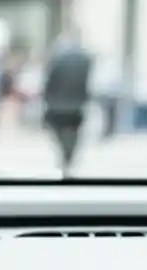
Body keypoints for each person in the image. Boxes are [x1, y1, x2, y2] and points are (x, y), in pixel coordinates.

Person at [42, 30, 91, 174]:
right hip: (77, 104)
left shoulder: (57, 59)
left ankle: (64, 156)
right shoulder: (85, 59)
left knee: (59, 131)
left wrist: (46, 98)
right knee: (73, 133)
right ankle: (68, 157)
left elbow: (50, 81)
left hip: (57, 104)